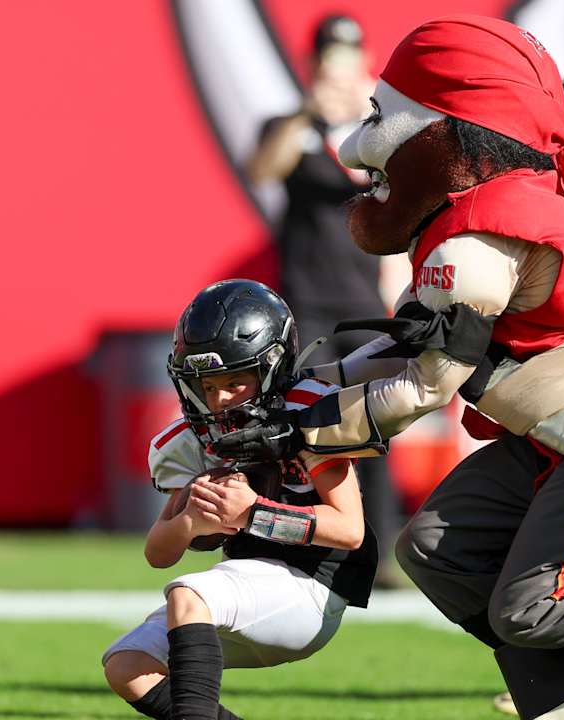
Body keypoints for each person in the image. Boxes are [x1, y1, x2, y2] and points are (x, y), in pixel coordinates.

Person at [212, 16, 564, 720]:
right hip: (556, 430)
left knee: (525, 608)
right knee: (434, 552)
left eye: (379, 117)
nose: (355, 143)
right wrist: (303, 393)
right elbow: (409, 341)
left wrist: (304, 430)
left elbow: (430, 382)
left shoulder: (487, 229)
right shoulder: (473, 216)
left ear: (445, 129)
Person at [100, 279, 378, 720]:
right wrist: (191, 521)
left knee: (190, 593)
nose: (219, 399)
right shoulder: (194, 439)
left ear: (271, 369)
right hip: (250, 587)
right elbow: (158, 552)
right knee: (127, 665)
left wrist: (253, 514)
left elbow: (350, 530)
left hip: (312, 589)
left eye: (236, 382)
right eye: (207, 386)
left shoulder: (308, 414)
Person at [245, 13, 403, 583]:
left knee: (374, 424)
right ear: (311, 65)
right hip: (305, 301)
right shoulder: (290, 125)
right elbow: (263, 168)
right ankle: (296, 542)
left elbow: (397, 190)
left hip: (362, 300)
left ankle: (379, 549)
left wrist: (366, 114)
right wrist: (311, 111)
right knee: (295, 424)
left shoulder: (371, 128)